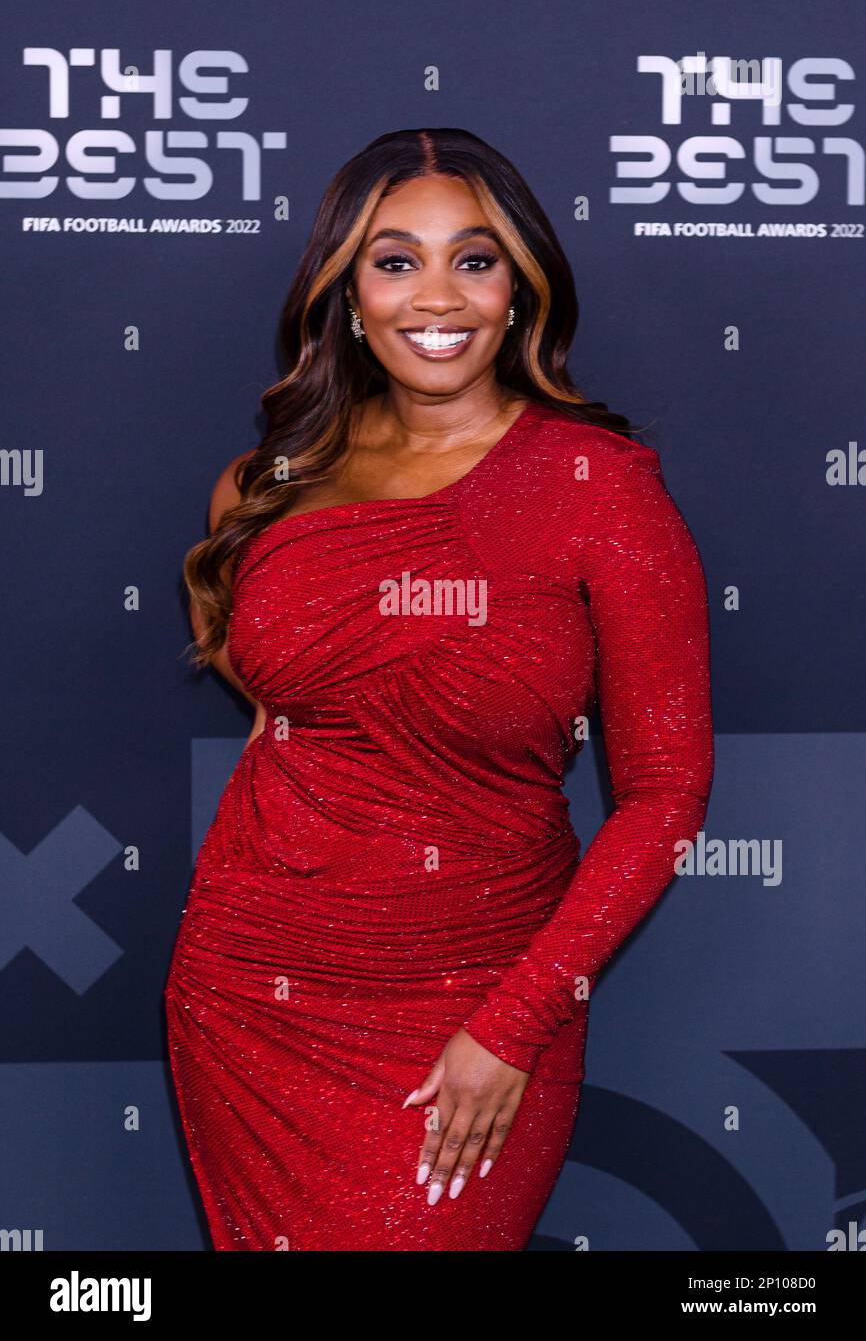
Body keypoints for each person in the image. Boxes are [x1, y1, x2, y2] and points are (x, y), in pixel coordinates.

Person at [164, 126, 715, 1251]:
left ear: (518, 290)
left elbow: (665, 796)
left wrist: (512, 1027)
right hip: (248, 993)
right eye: (393, 258)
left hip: (474, 1013)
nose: (437, 296)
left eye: (473, 259)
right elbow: (264, 666)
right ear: (345, 292)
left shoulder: (597, 487)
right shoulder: (269, 482)